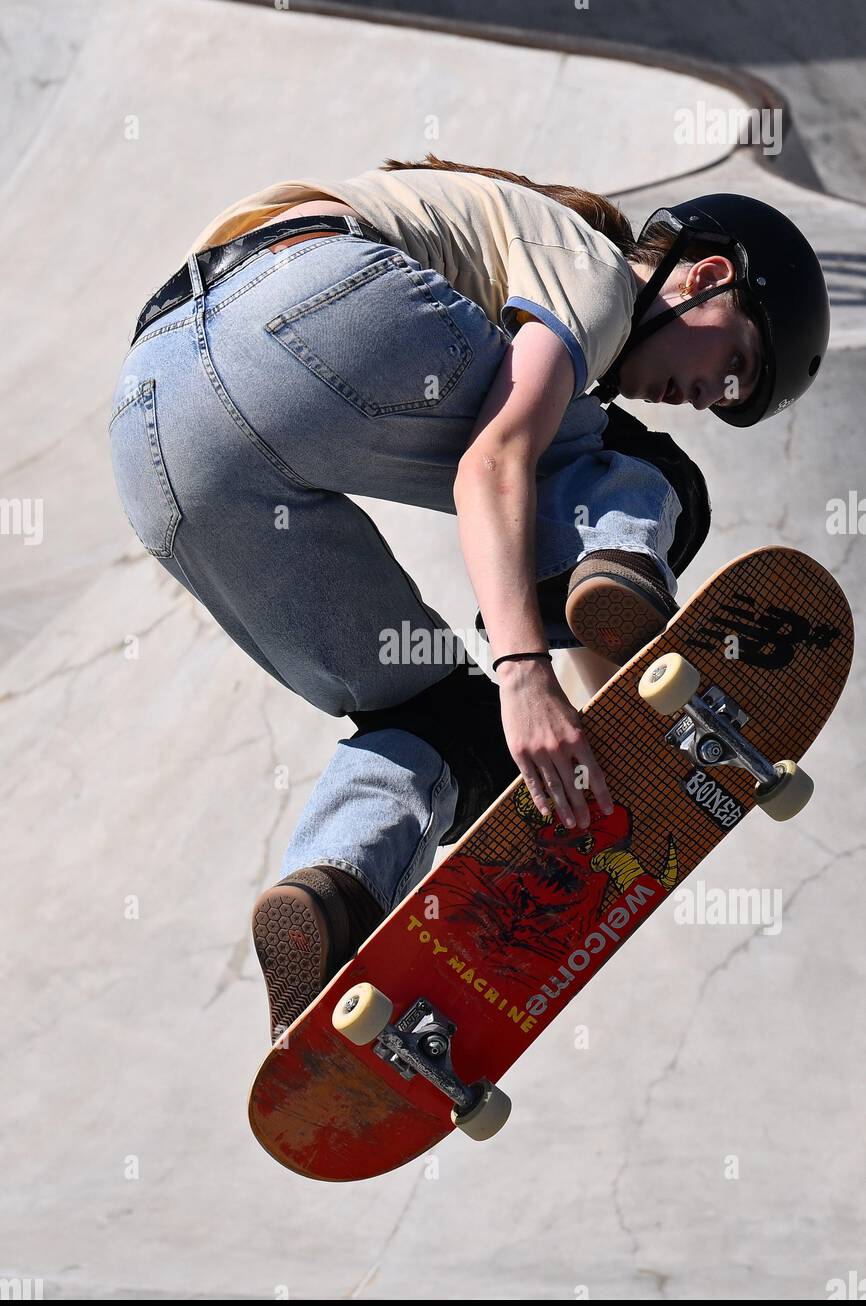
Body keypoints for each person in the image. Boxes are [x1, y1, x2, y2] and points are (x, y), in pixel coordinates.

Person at [108, 154, 830, 1043]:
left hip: (157, 431)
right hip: (309, 309)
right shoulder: (598, 276)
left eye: (731, 402)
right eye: (733, 366)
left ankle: (331, 895)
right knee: (647, 472)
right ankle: (601, 563)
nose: (705, 397)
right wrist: (525, 675)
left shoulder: (521, 271)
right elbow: (491, 464)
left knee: (441, 719)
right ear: (707, 274)